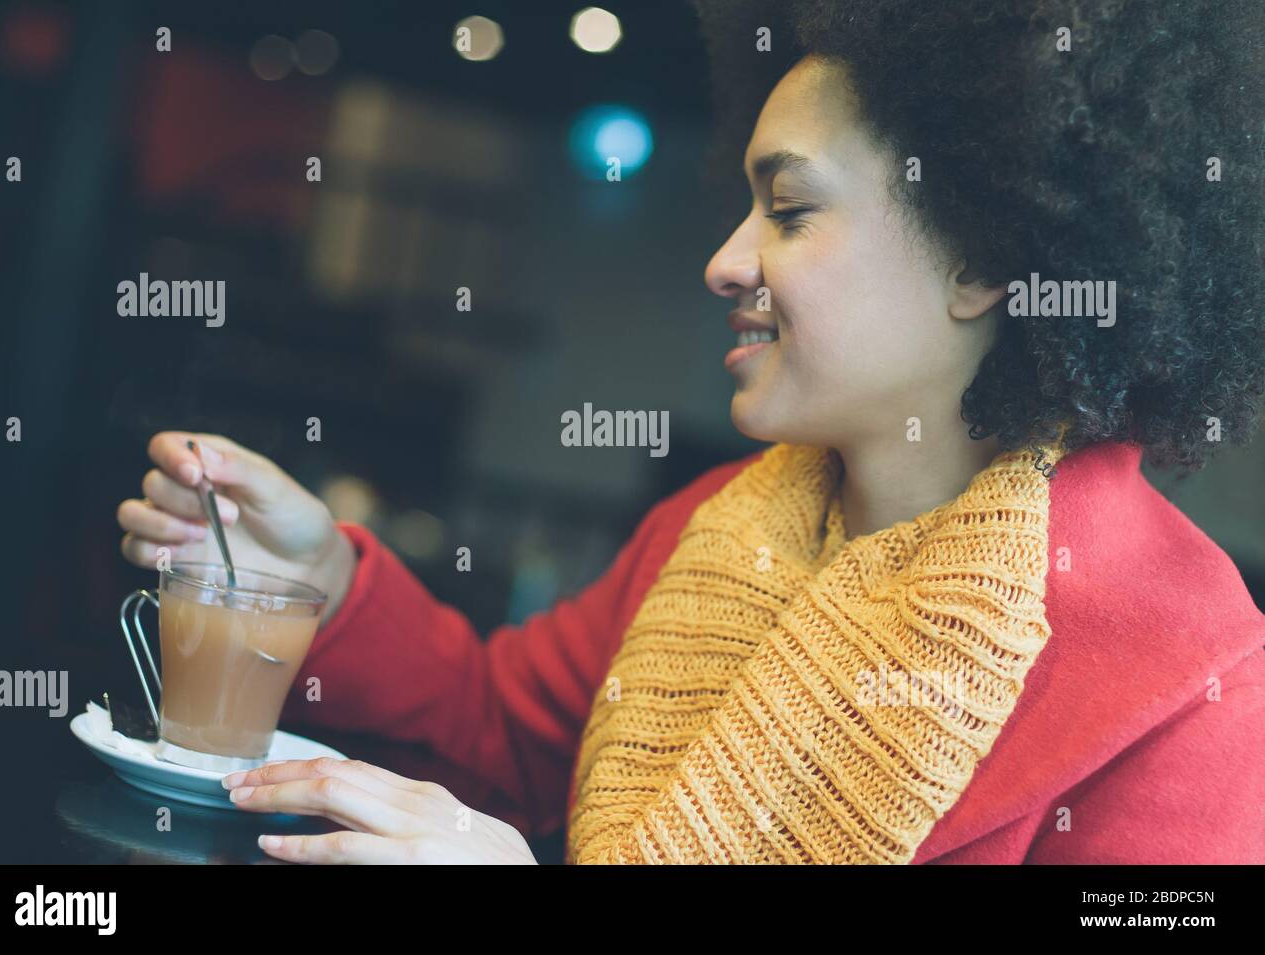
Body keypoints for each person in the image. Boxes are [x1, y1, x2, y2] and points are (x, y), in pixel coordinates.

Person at [115, 0, 1264, 864]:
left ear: (982, 261)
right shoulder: (720, 525)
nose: (723, 259)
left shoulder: (1191, 690)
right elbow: (503, 732)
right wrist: (319, 579)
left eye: (791, 209)